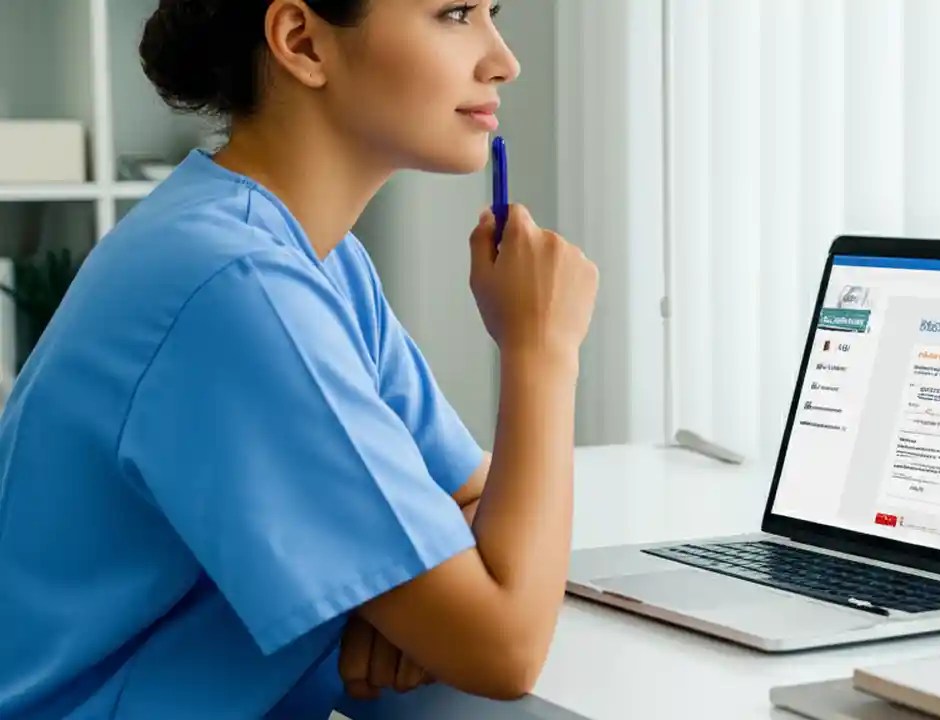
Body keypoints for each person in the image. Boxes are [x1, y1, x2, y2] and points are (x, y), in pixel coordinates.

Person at [0, 0, 598, 716]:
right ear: (302, 42)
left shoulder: (315, 258)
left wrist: (413, 601)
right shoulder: (235, 285)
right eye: (455, 13)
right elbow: (504, 645)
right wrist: (542, 350)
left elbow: (470, 497)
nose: (504, 60)